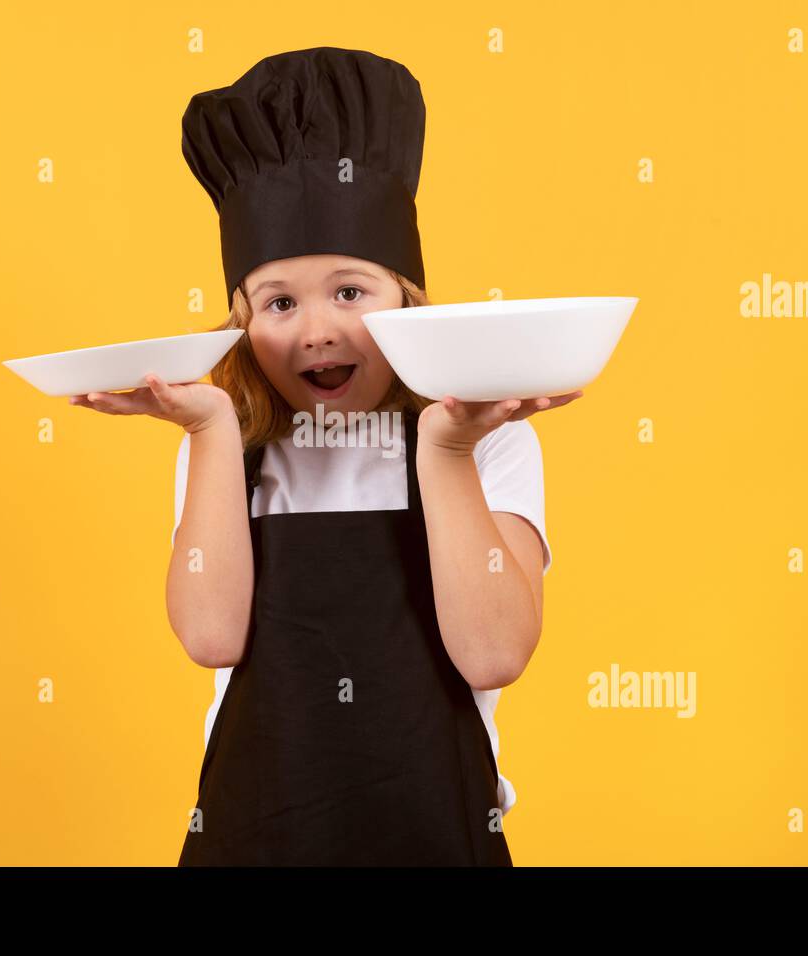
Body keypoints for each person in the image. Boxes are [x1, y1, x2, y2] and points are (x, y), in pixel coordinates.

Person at [71, 47, 581, 865]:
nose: (316, 329)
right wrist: (206, 435)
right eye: (279, 301)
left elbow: (495, 653)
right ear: (240, 320)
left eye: (351, 291)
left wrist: (446, 454)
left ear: (407, 300)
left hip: (439, 836)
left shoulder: (492, 438)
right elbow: (209, 636)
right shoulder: (227, 447)